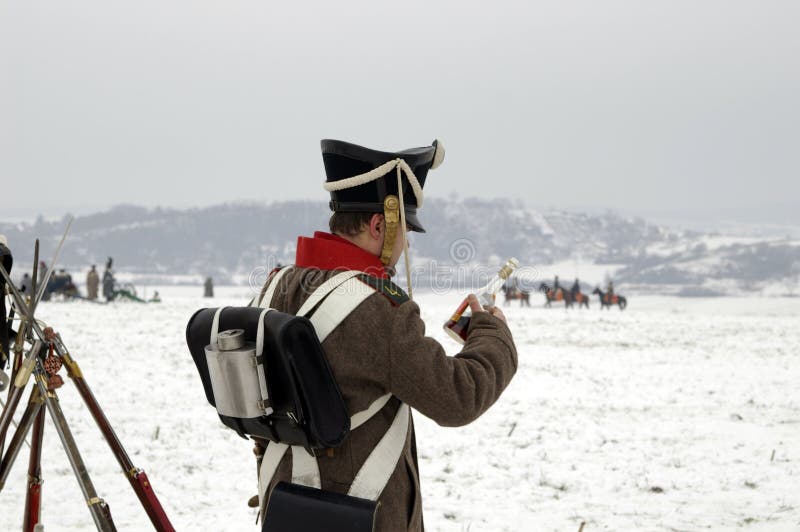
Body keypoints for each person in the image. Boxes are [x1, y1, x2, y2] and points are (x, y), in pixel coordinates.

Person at [253, 139, 517, 531]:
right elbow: (458, 397)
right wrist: (492, 334)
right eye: (404, 230)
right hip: (361, 517)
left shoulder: (275, 286)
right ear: (381, 224)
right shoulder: (377, 308)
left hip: (288, 510)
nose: (405, 244)